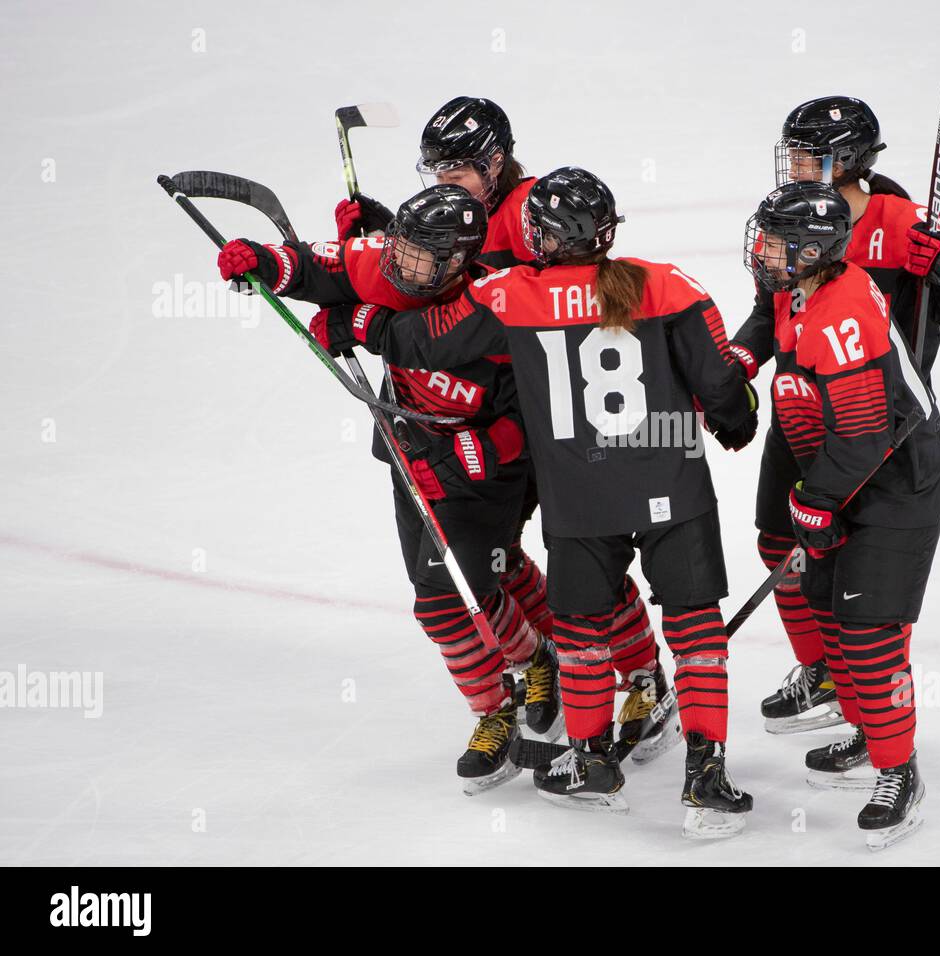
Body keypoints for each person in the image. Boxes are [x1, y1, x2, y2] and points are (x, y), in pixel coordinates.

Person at [308, 167, 761, 838]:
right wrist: (735, 421)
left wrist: (354, 317)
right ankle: (706, 773)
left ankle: (588, 764)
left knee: (580, 635)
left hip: (581, 495)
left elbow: (424, 335)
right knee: (694, 629)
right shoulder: (666, 284)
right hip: (674, 485)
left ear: (542, 240)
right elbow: (725, 391)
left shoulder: (511, 294)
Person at [215, 185, 556, 794]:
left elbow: (518, 424)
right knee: (467, 585)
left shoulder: (493, 307)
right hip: (410, 454)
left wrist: (361, 322)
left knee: (446, 597)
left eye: (420, 257)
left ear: (457, 260)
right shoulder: (399, 264)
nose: (400, 264)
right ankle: (535, 663)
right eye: (399, 248)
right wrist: (265, 263)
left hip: (485, 470)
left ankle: (503, 700)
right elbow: (326, 266)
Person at [338, 98, 668, 725]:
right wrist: (393, 238)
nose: (442, 183)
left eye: (456, 170)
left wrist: (379, 319)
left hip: (554, 413)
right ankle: (551, 667)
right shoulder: (474, 210)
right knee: (502, 557)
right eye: (435, 172)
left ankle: (643, 675)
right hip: (496, 422)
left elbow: (510, 293)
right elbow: (451, 269)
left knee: (586, 561)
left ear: (496, 163)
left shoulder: (532, 209)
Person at [729, 96, 940, 734]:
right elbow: (772, 309)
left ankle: (867, 703)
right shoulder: (793, 219)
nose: (793, 165)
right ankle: (825, 675)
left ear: (846, 160)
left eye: (806, 154)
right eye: (791, 152)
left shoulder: (904, 222)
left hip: (878, 426)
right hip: (802, 415)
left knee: (864, 596)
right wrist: (740, 357)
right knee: (777, 544)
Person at [745, 180, 940, 849]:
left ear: (812, 249)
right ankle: (869, 734)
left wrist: (812, 501)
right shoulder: (796, 288)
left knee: (868, 632)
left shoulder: (843, 314)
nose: (761, 248)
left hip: (895, 488)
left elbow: (863, 436)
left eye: (775, 240)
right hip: (845, 474)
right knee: (830, 611)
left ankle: (900, 771)